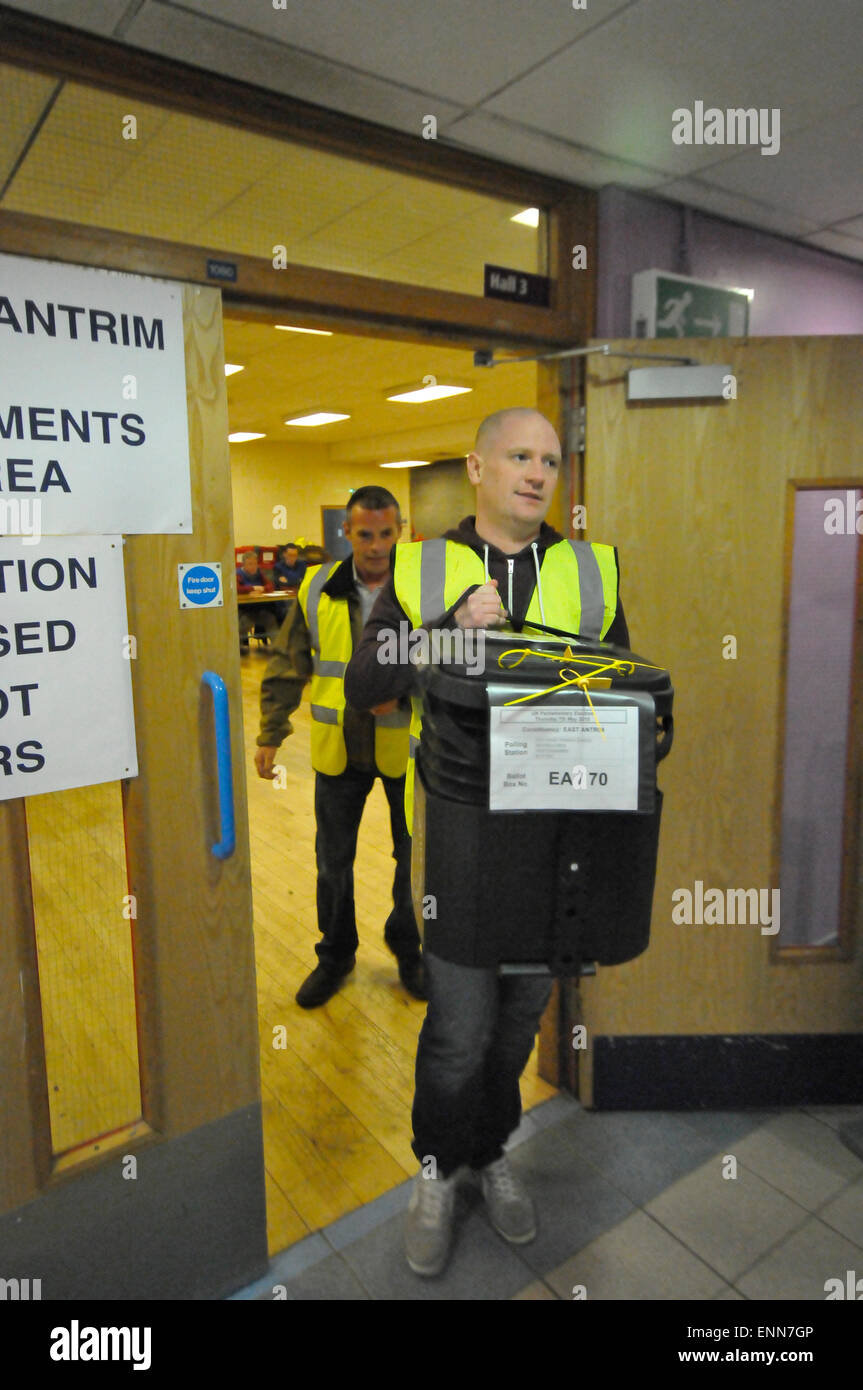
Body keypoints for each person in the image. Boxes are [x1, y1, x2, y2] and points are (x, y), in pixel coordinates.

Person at [344, 407, 629, 1276]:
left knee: (516, 1025)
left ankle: (489, 1150)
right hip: (463, 845)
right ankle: (437, 1170)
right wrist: (446, 629)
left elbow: (624, 687)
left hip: (558, 844)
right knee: (460, 1032)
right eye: (517, 456)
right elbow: (366, 681)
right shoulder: (426, 565)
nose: (537, 473)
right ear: (476, 467)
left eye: (548, 458)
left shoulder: (589, 568)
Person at [254, 485, 426, 1008]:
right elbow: (289, 661)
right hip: (339, 749)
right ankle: (335, 955)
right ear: (346, 533)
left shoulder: (422, 586)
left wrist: (400, 687)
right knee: (333, 861)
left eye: (386, 534)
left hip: (405, 746)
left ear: (401, 532)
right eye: (364, 534)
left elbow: (449, 658)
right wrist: (271, 731)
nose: (376, 546)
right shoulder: (316, 586)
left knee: (413, 859)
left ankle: (410, 946)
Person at [236, 550, 277, 653]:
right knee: (244, 624)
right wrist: (252, 588)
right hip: (246, 610)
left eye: (255, 564)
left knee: (271, 619)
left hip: (260, 608)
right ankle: (238, 648)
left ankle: (277, 648)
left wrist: (263, 589)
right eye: (250, 564)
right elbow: (237, 589)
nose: (253, 566)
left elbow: (270, 586)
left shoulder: (259, 573)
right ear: (243, 564)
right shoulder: (238, 574)